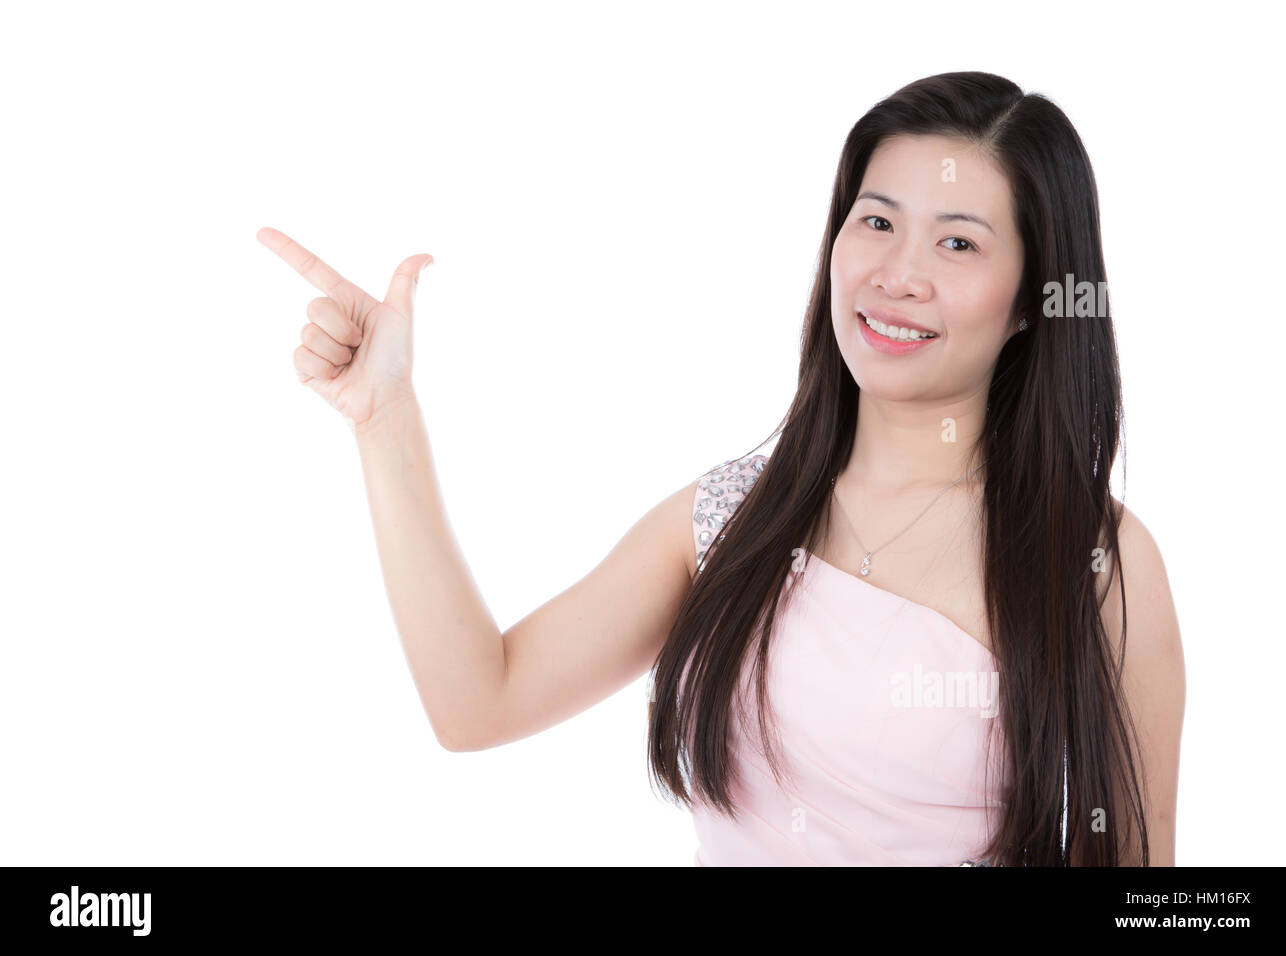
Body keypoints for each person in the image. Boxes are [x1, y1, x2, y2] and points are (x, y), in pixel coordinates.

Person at [257, 70, 1184, 867]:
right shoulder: (735, 514)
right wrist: (386, 422)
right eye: (876, 221)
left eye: (958, 242)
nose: (898, 273)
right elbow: (477, 701)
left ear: (1032, 299)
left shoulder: (1093, 559)